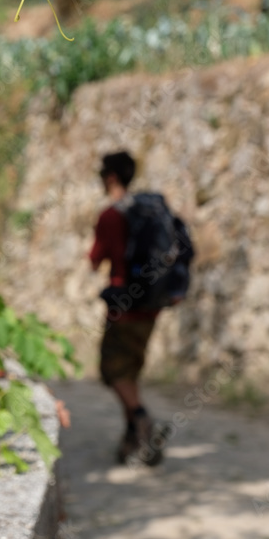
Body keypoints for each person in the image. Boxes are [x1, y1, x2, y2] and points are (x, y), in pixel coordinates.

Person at [88, 151, 166, 466]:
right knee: (129, 371)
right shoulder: (146, 212)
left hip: (123, 305)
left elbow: (95, 259)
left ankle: (143, 420)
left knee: (113, 370)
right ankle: (132, 439)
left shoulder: (111, 216)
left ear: (110, 177)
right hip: (152, 305)